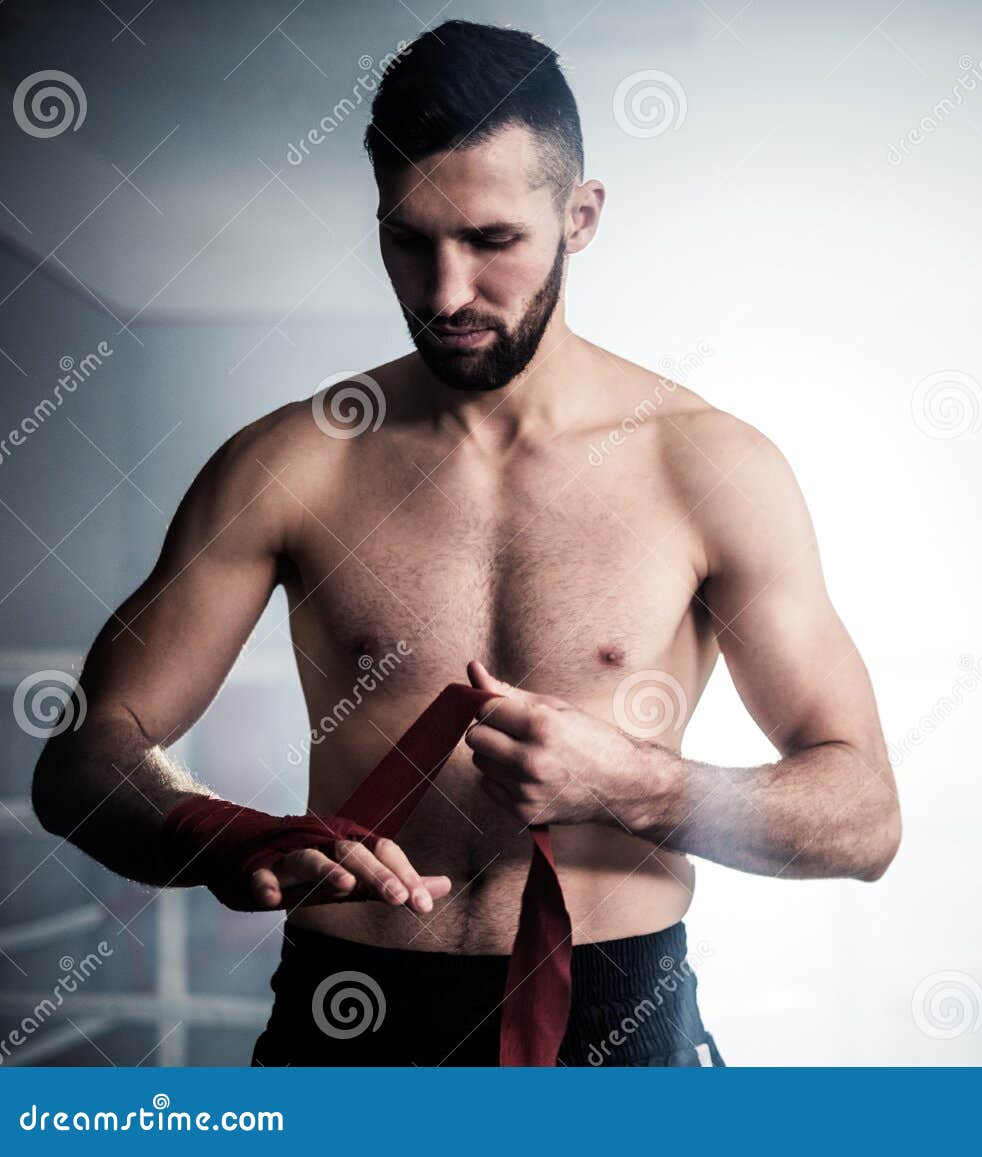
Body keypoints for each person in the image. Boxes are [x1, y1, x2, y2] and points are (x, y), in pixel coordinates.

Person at [29, 19, 899, 1067]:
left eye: (491, 241)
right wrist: (215, 831)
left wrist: (635, 784)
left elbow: (863, 816)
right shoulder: (293, 463)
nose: (444, 295)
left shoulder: (710, 468)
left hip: (612, 1015)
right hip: (352, 1011)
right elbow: (82, 759)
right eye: (408, 238)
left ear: (580, 218)